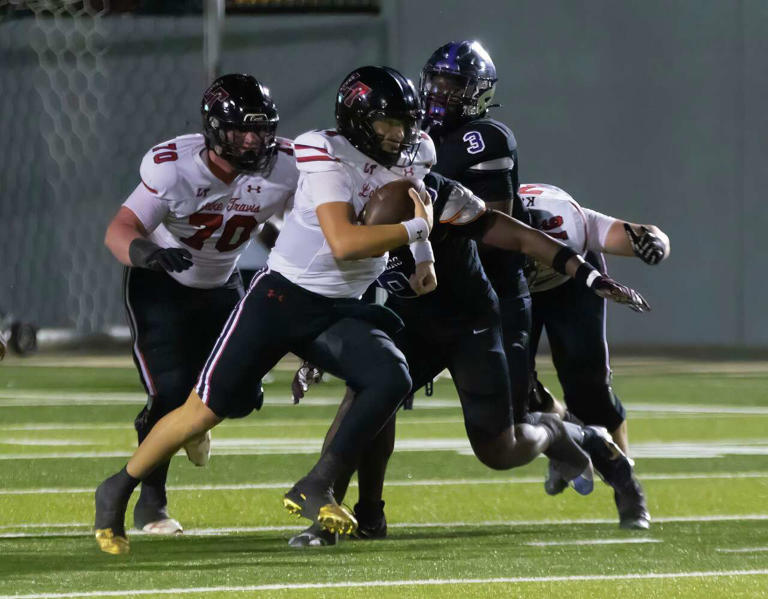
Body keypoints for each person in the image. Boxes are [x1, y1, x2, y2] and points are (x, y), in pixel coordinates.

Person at [93, 65, 440, 555]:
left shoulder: (411, 152)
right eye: (387, 123)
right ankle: (119, 489)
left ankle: (318, 483)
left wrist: (423, 255)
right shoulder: (319, 151)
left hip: (332, 302)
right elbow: (344, 240)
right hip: (280, 297)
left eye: (406, 122)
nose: (399, 135)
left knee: (390, 375)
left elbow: (415, 197)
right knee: (193, 408)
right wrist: (416, 233)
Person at [288, 173, 650, 547]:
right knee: (366, 396)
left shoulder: (448, 204)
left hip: (470, 328)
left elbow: (522, 236)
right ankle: (344, 517)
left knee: (497, 450)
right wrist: (317, 353)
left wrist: (588, 275)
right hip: (410, 324)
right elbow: (339, 286)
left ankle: (559, 431)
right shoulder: (343, 217)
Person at [102, 73, 297, 535]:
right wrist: (152, 253)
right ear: (213, 129)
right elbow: (119, 230)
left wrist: (284, 248)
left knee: (245, 395)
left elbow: (276, 218)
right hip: (160, 285)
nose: (251, 141)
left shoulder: (287, 165)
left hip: (223, 282)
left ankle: (194, 423)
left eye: (260, 129)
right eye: (239, 130)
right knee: (169, 393)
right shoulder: (175, 167)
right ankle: (152, 505)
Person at [522, 183, 670, 529]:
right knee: (517, 393)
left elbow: (642, 234)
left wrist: (655, 243)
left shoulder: (576, 221)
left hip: (573, 285)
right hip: (513, 289)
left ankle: (626, 485)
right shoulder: (497, 228)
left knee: (590, 392)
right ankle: (568, 435)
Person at [419, 40, 533, 425]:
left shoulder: (484, 137)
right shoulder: (415, 133)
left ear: (479, 92)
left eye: (455, 84)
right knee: (378, 389)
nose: (441, 91)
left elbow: (490, 229)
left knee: (510, 424)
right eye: (436, 80)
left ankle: (581, 440)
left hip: (490, 291)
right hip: (432, 292)